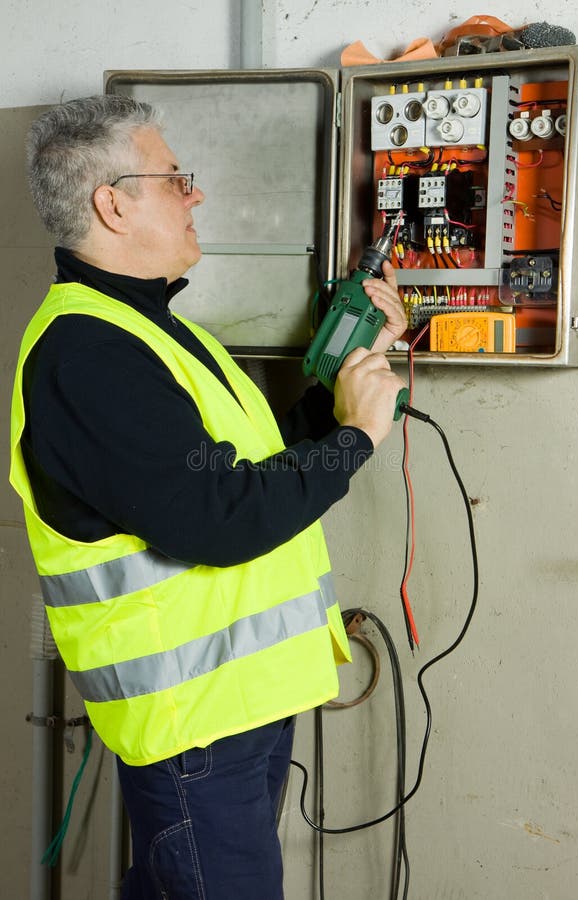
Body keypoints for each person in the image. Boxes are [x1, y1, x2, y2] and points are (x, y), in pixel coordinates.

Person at [10, 94, 407, 899]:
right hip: (196, 727)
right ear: (112, 203)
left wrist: (339, 388)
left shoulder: (151, 328)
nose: (196, 195)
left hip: (236, 709)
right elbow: (217, 517)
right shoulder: (85, 355)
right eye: (175, 178)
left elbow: (231, 470)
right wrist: (356, 438)